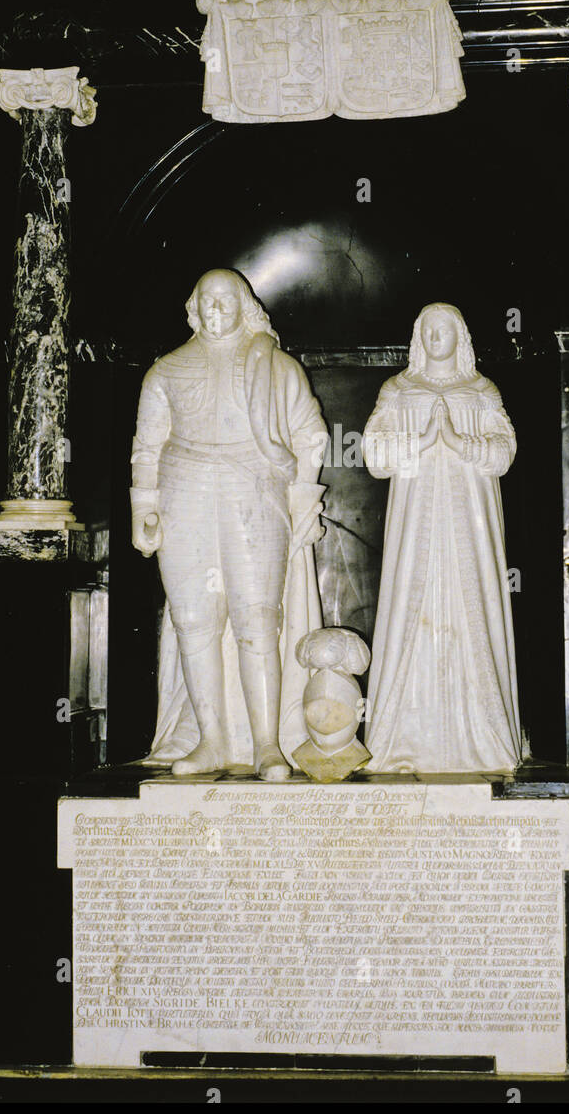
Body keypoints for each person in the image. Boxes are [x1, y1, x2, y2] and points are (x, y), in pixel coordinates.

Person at [130, 269, 327, 780]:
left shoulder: (275, 366)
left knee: (256, 616)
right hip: (185, 489)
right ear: (193, 308)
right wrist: (142, 509)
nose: (217, 309)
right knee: (194, 620)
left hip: (252, 488)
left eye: (227, 299)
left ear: (244, 305)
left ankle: (266, 745)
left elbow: (310, 435)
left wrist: (303, 494)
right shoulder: (166, 372)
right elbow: (147, 448)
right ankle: (212, 740)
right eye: (207, 300)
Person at [362, 302, 522, 774]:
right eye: (427, 328)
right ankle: (405, 736)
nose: (435, 336)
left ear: (460, 336)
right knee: (415, 610)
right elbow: (373, 455)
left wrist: (458, 443)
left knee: (472, 611)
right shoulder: (399, 389)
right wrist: (421, 438)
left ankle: (484, 739)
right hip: (415, 528)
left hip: (469, 526)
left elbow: (504, 451)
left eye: (444, 328)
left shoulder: (480, 391)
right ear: (417, 336)